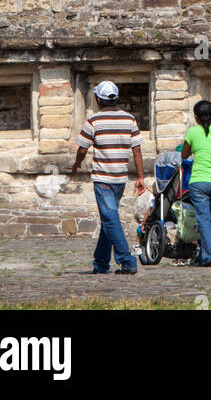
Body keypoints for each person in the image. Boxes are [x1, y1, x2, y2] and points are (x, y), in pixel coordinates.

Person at [70, 79, 146, 276]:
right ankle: (101, 263)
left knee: (111, 219)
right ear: (117, 98)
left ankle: (126, 261)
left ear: (98, 99)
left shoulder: (93, 121)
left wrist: (77, 164)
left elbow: (82, 149)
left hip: (103, 179)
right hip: (120, 179)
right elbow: (137, 150)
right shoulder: (129, 119)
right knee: (108, 219)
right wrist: (140, 176)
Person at [180, 99, 211, 267]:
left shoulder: (193, 133)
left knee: (203, 219)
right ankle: (203, 255)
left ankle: (210, 255)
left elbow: (184, 154)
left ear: (196, 116)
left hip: (199, 181)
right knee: (210, 220)